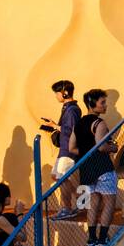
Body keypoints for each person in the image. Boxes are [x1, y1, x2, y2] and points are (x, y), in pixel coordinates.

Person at [75, 88, 120, 246]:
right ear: (91, 104)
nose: (105, 105)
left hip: (87, 169)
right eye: (102, 102)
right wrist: (113, 147)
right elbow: (101, 147)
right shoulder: (99, 123)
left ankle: (92, 239)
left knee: (93, 204)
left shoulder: (79, 124)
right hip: (102, 167)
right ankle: (102, 239)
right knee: (109, 203)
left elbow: (72, 147)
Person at [42, 80, 82, 220]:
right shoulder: (68, 108)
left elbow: (72, 130)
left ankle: (67, 208)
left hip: (68, 149)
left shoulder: (72, 110)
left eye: (57, 93)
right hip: (64, 149)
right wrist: (53, 126)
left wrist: (55, 126)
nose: (56, 96)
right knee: (56, 176)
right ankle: (81, 199)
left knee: (60, 178)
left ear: (64, 93)